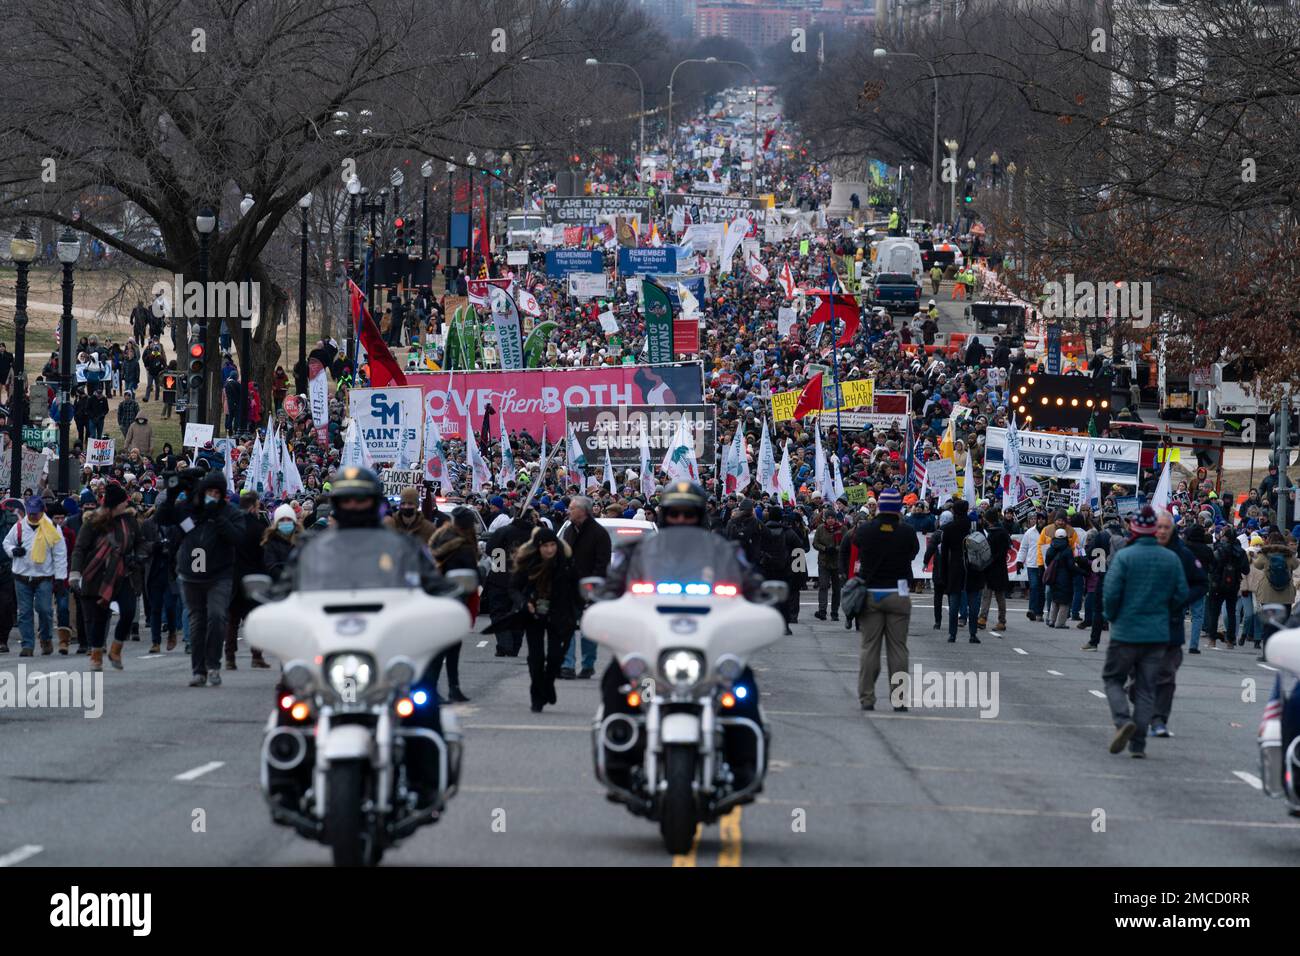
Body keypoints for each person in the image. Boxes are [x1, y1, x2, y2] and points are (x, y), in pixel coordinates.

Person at [272, 466, 462, 807]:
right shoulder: (314, 548)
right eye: (348, 500)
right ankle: (285, 781)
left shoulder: (401, 547)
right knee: (291, 694)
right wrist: (274, 605)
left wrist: (444, 597)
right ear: (337, 504)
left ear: (373, 502)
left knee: (422, 699)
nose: (355, 506)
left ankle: (426, 784)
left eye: (361, 499)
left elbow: (433, 584)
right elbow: (286, 588)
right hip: (329, 646)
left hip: (385, 649)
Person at [599, 481, 767, 790]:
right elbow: (611, 588)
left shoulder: (725, 553)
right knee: (616, 679)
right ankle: (617, 754)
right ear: (664, 516)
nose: (680, 520)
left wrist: (759, 597)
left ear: (700, 516)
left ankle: (745, 763)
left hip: (708, 648)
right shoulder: (635, 551)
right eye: (674, 514)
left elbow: (752, 584)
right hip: (651, 648)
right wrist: (607, 601)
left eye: (687, 514)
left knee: (743, 686)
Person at [1101, 507, 1188, 758]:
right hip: (1158, 635)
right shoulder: (1170, 559)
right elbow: (1181, 594)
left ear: (1134, 528)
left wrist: (1112, 616)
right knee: (1147, 689)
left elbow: (1111, 593)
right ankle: (1138, 744)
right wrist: (1164, 611)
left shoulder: (1125, 557)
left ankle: (1122, 720)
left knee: (1113, 678)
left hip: (1126, 633)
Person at [156, 470, 240, 686]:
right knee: (197, 621)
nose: (212, 495)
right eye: (209, 491)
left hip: (219, 574)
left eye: (217, 492)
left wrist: (217, 517)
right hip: (191, 573)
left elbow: (238, 537)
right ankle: (199, 670)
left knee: (217, 617)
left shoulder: (230, 512)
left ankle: (213, 665)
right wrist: (172, 493)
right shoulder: (190, 509)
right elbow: (163, 517)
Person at [854, 488, 919, 712]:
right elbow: (913, 553)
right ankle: (899, 698)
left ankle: (867, 697)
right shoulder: (907, 532)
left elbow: (858, 547)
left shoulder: (865, 530)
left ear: (879, 507)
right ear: (899, 508)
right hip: (898, 592)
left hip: (871, 592)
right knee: (898, 648)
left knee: (870, 647)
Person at [70, 483, 147, 672]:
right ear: (115, 504)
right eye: (122, 502)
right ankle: (96, 655)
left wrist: (140, 556)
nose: (125, 505)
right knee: (100, 617)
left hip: (124, 573)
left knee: (128, 612)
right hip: (98, 574)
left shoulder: (129, 521)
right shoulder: (94, 522)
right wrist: (75, 573)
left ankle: (116, 648)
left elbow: (140, 543)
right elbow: (80, 548)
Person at [511, 525, 582, 712]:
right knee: (536, 657)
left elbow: (576, 590)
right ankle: (536, 693)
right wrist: (524, 603)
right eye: (545, 546)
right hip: (534, 613)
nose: (550, 549)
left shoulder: (565, 563)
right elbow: (514, 588)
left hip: (559, 613)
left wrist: (578, 612)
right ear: (538, 547)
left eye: (552, 545)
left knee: (555, 656)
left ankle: (548, 682)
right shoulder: (527, 563)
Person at [427, 507, 480, 703]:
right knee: (447, 648)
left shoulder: (440, 538)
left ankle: (445, 687)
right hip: (454, 599)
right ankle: (443, 688)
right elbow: (471, 574)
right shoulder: (463, 546)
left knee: (443, 647)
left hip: (437, 598)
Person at [4, 497, 66, 658]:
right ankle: (27, 645)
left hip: (43, 576)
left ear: (42, 511)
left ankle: (45, 638)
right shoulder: (19, 526)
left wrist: (60, 578)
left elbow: (59, 554)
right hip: (21, 575)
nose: (32, 516)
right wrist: (13, 551)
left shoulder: (52, 528)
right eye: (30, 513)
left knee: (45, 610)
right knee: (24, 613)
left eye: (35, 513)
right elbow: (7, 543)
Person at [559, 496, 611, 679]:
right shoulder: (568, 531)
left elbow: (602, 563)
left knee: (588, 628)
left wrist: (593, 586)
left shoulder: (599, 534)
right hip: (569, 586)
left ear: (583, 511)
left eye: (572, 508)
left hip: (590, 588)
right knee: (567, 626)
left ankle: (588, 664)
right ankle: (567, 665)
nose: (569, 511)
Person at [224, 490, 269, 670]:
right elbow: (262, 554)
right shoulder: (258, 527)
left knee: (232, 620)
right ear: (252, 507)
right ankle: (256, 656)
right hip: (253, 578)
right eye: (258, 506)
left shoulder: (232, 524)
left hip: (234, 576)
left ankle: (229, 657)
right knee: (254, 620)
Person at [939, 498, 986, 643]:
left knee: (954, 604)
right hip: (974, 568)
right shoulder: (974, 526)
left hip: (955, 568)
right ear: (966, 510)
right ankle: (972, 633)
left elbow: (944, 554)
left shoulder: (948, 529)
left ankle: (952, 634)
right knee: (973, 604)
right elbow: (983, 546)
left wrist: (943, 574)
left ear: (954, 511)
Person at [1252, 531, 1298, 660]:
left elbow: (1257, 565)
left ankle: (1267, 654)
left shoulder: (1265, 553)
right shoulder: (1288, 554)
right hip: (1286, 595)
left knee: (1268, 625)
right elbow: (1295, 565)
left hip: (1268, 595)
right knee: (1282, 625)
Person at [977, 509, 1011, 632]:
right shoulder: (1002, 532)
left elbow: (990, 550)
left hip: (992, 567)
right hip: (1000, 568)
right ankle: (1001, 621)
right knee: (998, 596)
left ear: (989, 520)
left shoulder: (994, 533)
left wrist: (988, 560)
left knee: (988, 595)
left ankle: (983, 619)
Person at [813, 512, 843, 621]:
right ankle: (822, 611)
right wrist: (825, 548)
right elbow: (815, 543)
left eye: (832, 518)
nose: (830, 520)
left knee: (837, 589)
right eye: (828, 518)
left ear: (835, 519)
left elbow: (845, 544)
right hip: (824, 562)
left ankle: (834, 612)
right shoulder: (821, 528)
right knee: (823, 586)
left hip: (837, 562)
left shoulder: (841, 528)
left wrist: (836, 548)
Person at [1043, 528, 1075, 628]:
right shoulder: (1067, 549)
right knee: (1064, 601)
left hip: (1053, 576)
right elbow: (1071, 566)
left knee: (1055, 599)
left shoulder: (1051, 548)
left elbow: (1047, 562)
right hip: (1065, 577)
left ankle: (1052, 620)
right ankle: (1060, 623)